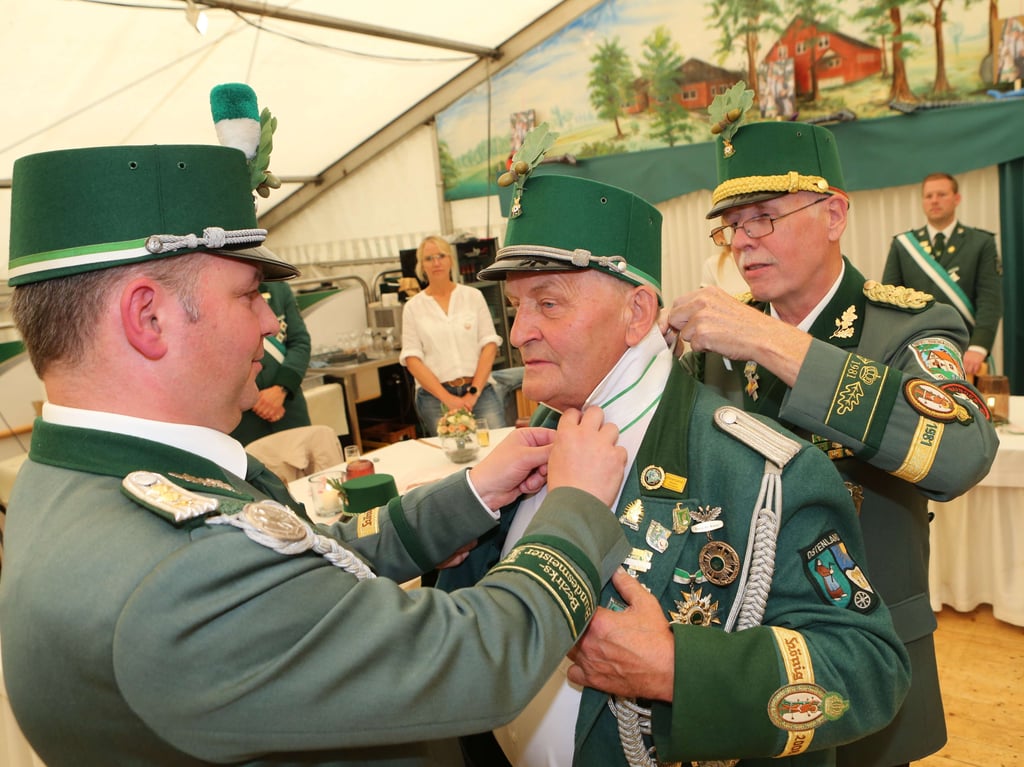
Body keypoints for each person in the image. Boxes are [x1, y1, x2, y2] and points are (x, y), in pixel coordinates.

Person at [0, 140, 635, 767]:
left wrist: (472, 494)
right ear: (149, 316)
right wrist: (575, 507)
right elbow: (476, 659)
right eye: (249, 295)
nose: (272, 324)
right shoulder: (178, 573)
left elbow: (312, 561)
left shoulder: (76, 477)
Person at [438, 170, 911, 766]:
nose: (519, 332)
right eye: (516, 307)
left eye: (548, 303)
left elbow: (870, 674)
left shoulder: (763, 473)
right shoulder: (525, 454)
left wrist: (676, 669)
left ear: (638, 313)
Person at [664, 102, 999, 767]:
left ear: (835, 215)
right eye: (732, 224)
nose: (743, 240)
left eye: (764, 217)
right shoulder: (716, 346)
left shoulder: (906, 327)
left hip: (868, 660)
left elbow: (961, 453)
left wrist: (770, 339)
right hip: (751, 661)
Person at [882, 172, 1004, 379]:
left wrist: (979, 347)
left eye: (941, 194)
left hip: (965, 351)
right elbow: (890, 301)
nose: (934, 201)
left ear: (957, 199)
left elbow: (989, 300)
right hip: (914, 350)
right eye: (928, 196)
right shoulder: (904, 245)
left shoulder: (981, 242)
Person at [400, 235, 508, 435]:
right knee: (452, 455)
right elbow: (412, 359)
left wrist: (473, 392)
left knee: (497, 446)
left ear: (450, 259)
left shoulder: (472, 297)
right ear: (421, 266)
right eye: (429, 258)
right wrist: (447, 399)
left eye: (441, 255)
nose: (436, 262)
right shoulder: (413, 308)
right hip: (434, 398)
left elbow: (490, 345)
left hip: (479, 391)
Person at [230, 279, 313, 444]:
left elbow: (300, 342)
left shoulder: (279, 289)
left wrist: (281, 389)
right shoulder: (220, 294)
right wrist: (250, 396)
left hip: (289, 407)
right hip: (242, 418)